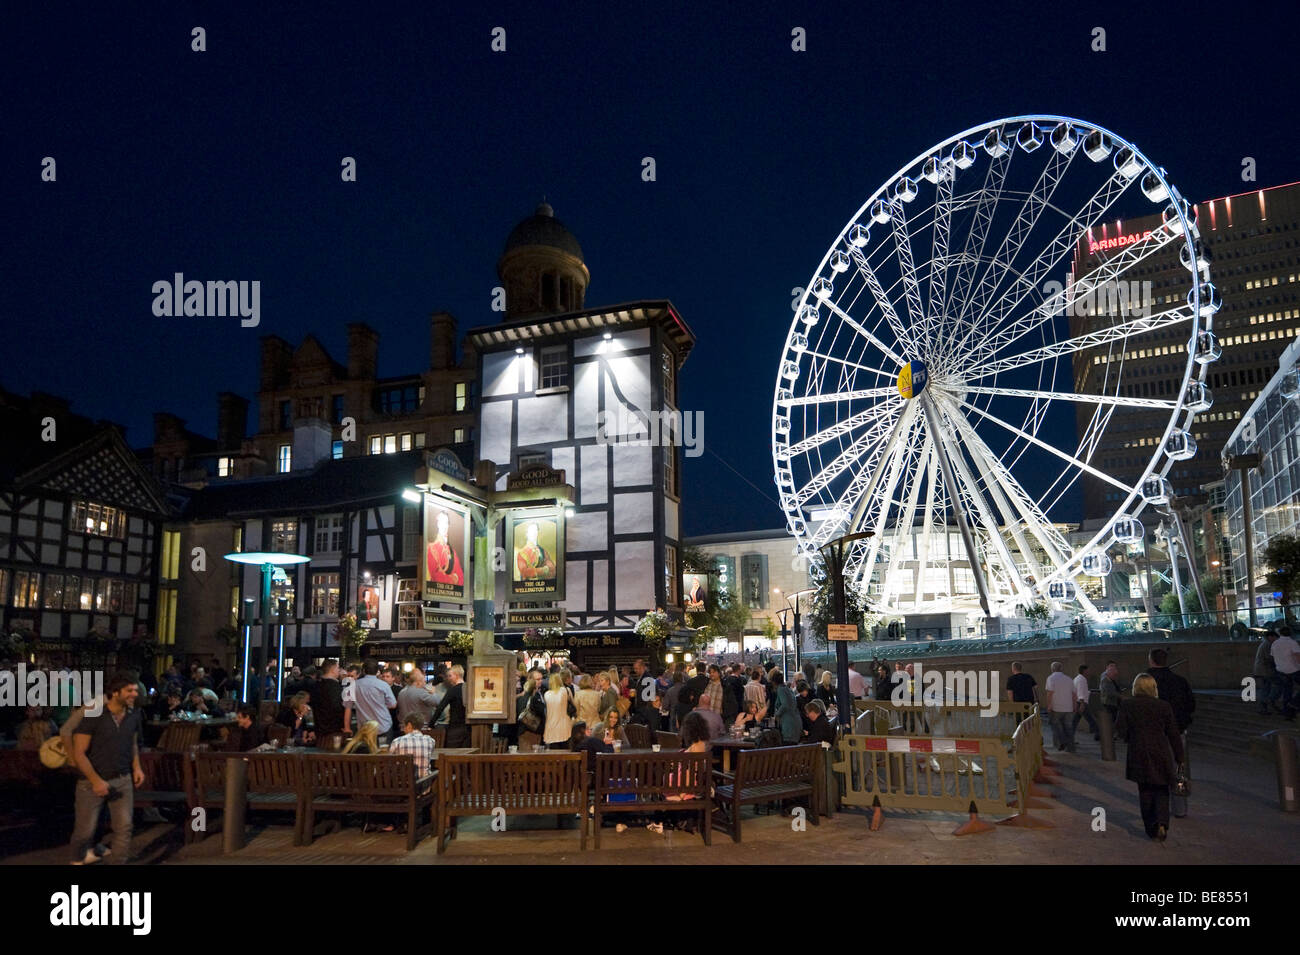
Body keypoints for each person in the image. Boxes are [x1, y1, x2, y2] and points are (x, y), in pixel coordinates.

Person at [68, 673, 144, 865]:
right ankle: (76, 859)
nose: (135, 694)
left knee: (124, 827)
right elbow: (79, 753)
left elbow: (133, 743)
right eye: (129, 690)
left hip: (122, 778)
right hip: (91, 782)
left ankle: (118, 861)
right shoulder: (94, 716)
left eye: (135, 690)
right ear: (115, 692)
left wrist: (137, 767)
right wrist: (96, 781)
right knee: (85, 831)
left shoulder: (134, 715)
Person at [1116, 673, 1185, 841]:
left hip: (1138, 751)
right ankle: (1162, 822)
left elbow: (1120, 730)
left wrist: (1131, 737)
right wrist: (1180, 757)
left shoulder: (1127, 705)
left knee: (1145, 790)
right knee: (1162, 789)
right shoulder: (1163, 706)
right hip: (1160, 750)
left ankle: (1151, 826)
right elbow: (1173, 733)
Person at [353, 659, 398, 742]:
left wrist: (347, 727)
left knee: (366, 750)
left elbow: (348, 707)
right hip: (383, 725)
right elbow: (393, 704)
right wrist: (381, 704)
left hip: (364, 727)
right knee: (384, 749)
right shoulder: (383, 685)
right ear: (377, 671)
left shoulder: (354, 685)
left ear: (363, 670)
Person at [430, 664, 470, 747]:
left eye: (450, 676)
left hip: (455, 728)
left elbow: (441, 707)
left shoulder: (453, 690)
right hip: (469, 728)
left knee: (451, 751)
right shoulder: (469, 689)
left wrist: (431, 724)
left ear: (456, 675)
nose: (448, 678)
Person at [1044, 661, 1076, 753]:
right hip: (1069, 707)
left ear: (1052, 669)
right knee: (1069, 728)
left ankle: (1062, 741)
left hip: (1056, 707)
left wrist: (1049, 705)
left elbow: (1050, 693)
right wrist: (1074, 705)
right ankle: (1071, 748)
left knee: (1056, 726)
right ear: (1061, 669)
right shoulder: (1069, 679)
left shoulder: (1051, 678)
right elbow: (1074, 694)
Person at [1271, 626, 1300, 719]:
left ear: (1280, 633)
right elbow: (1298, 657)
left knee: (1287, 691)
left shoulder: (1275, 643)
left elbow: (1273, 656)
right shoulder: (1292, 643)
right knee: (1289, 690)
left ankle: (1287, 712)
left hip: (1280, 670)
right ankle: (1293, 703)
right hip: (1293, 670)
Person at [313, 659, 345, 737]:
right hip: (333, 728)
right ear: (332, 669)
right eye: (338, 667)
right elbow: (337, 707)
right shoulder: (335, 687)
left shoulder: (316, 685)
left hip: (319, 727)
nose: (339, 670)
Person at [543, 672, 574, 749]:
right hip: (564, 726)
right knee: (565, 751)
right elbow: (573, 704)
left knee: (553, 753)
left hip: (550, 727)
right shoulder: (565, 690)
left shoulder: (546, 694)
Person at [772, 670, 802, 744]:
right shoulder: (788, 689)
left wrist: (776, 715)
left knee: (787, 746)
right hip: (796, 721)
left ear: (774, 682)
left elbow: (785, 704)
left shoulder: (781, 690)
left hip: (788, 724)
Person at [1254, 632, 1280, 715]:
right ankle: (1269, 701)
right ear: (1270, 637)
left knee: (1265, 688)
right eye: (1275, 638)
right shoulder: (1267, 645)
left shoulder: (1265, 644)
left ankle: (1263, 707)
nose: (1276, 640)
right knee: (1276, 685)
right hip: (1265, 671)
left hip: (1261, 670)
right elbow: (1269, 658)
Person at [1073, 664, 1100, 740]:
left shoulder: (1077, 678)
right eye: (1088, 670)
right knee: (1090, 720)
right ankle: (1098, 734)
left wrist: (1089, 692)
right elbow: (1081, 692)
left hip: (1078, 702)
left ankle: (1069, 737)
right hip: (1081, 703)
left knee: (1075, 721)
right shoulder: (1082, 680)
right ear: (1084, 671)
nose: (1089, 672)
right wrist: (1082, 704)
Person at [1098, 661, 1123, 735]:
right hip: (1109, 702)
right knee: (1111, 719)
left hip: (1112, 702)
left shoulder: (1110, 678)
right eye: (1112, 667)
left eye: (1114, 667)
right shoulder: (1105, 678)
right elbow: (1110, 691)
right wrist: (1120, 696)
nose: (1114, 670)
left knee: (1112, 718)